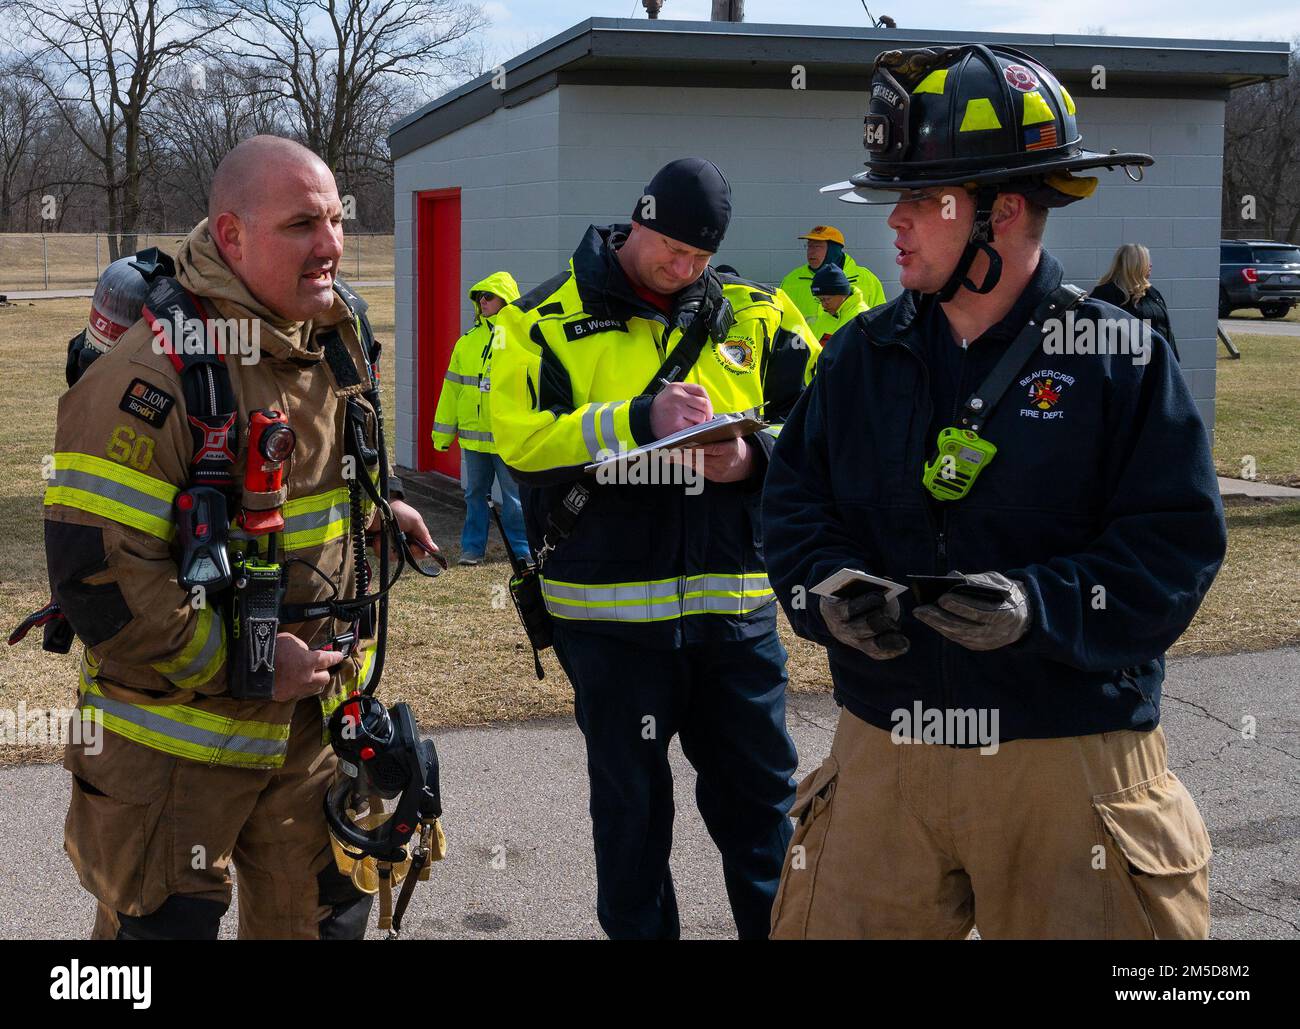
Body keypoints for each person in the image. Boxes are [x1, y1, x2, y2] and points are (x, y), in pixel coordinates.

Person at [762, 44, 1226, 939]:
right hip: (884, 748)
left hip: (1068, 760)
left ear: (1002, 212)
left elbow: (1177, 545)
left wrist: (1037, 606)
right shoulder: (859, 357)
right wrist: (824, 592)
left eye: (920, 198)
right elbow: (792, 508)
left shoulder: (1119, 360)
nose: (892, 220)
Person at [45, 134, 437, 940]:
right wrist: (252, 662)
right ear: (231, 235)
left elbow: (323, 473)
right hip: (178, 749)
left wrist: (378, 507)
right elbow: (103, 584)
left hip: (314, 730)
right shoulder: (151, 374)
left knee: (324, 921)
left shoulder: (330, 334)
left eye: (334, 219)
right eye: (301, 224)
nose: (330, 244)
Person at [490, 158, 821, 940]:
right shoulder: (542, 318)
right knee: (632, 820)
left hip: (736, 626)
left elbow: (823, 428)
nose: (685, 269)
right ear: (636, 221)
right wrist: (637, 419)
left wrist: (753, 459)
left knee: (764, 815)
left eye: (701, 258)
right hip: (609, 631)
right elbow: (519, 444)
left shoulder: (758, 314)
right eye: (672, 249)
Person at [432, 272, 530, 564]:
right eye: (478, 297)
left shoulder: (521, 341)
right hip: (474, 438)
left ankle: (521, 551)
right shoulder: (467, 343)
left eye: (488, 296)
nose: (481, 302)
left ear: (506, 300)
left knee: (513, 499)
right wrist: (443, 434)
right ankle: (472, 548)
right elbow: (451, 390)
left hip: (506, 436)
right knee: (475, 494)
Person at [779, 224, 885, 324]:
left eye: (817, 246)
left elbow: (881, 319)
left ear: (833, 250)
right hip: (805, 343)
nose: (811, 252)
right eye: (809, 246)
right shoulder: (792, 280)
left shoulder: (865, 279)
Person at [1093, 243, 1180, 360]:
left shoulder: (1151, 292)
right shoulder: (1105, 294)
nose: (1151, 265)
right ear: (1134, 264)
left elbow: (1166, 329)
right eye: (1146, 260)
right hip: (1128, 367)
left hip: (1159, 362)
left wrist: (1172, 360)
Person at [808, 262, 869, 346]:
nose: (823, 305)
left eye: (826, 299)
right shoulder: (824, 318)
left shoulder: (860, 319)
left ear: (842, 293)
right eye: (820, 300)